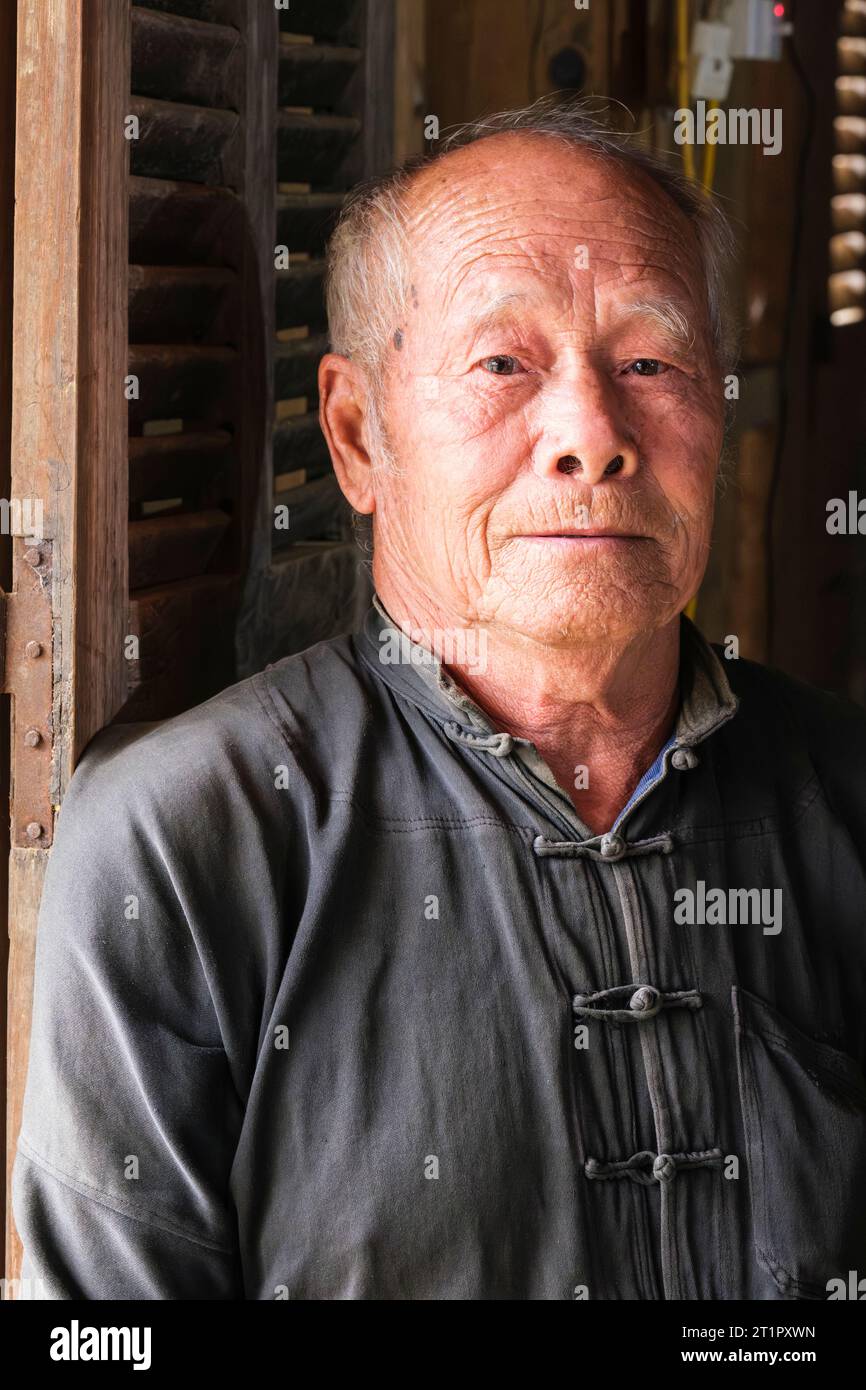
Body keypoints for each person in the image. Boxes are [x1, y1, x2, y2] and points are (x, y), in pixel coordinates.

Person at [13, 100, 866, 1300]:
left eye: (647, 361)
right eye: (503, 363)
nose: (589, 434)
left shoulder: (840, 795)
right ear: (357, 437)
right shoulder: (187, 843)